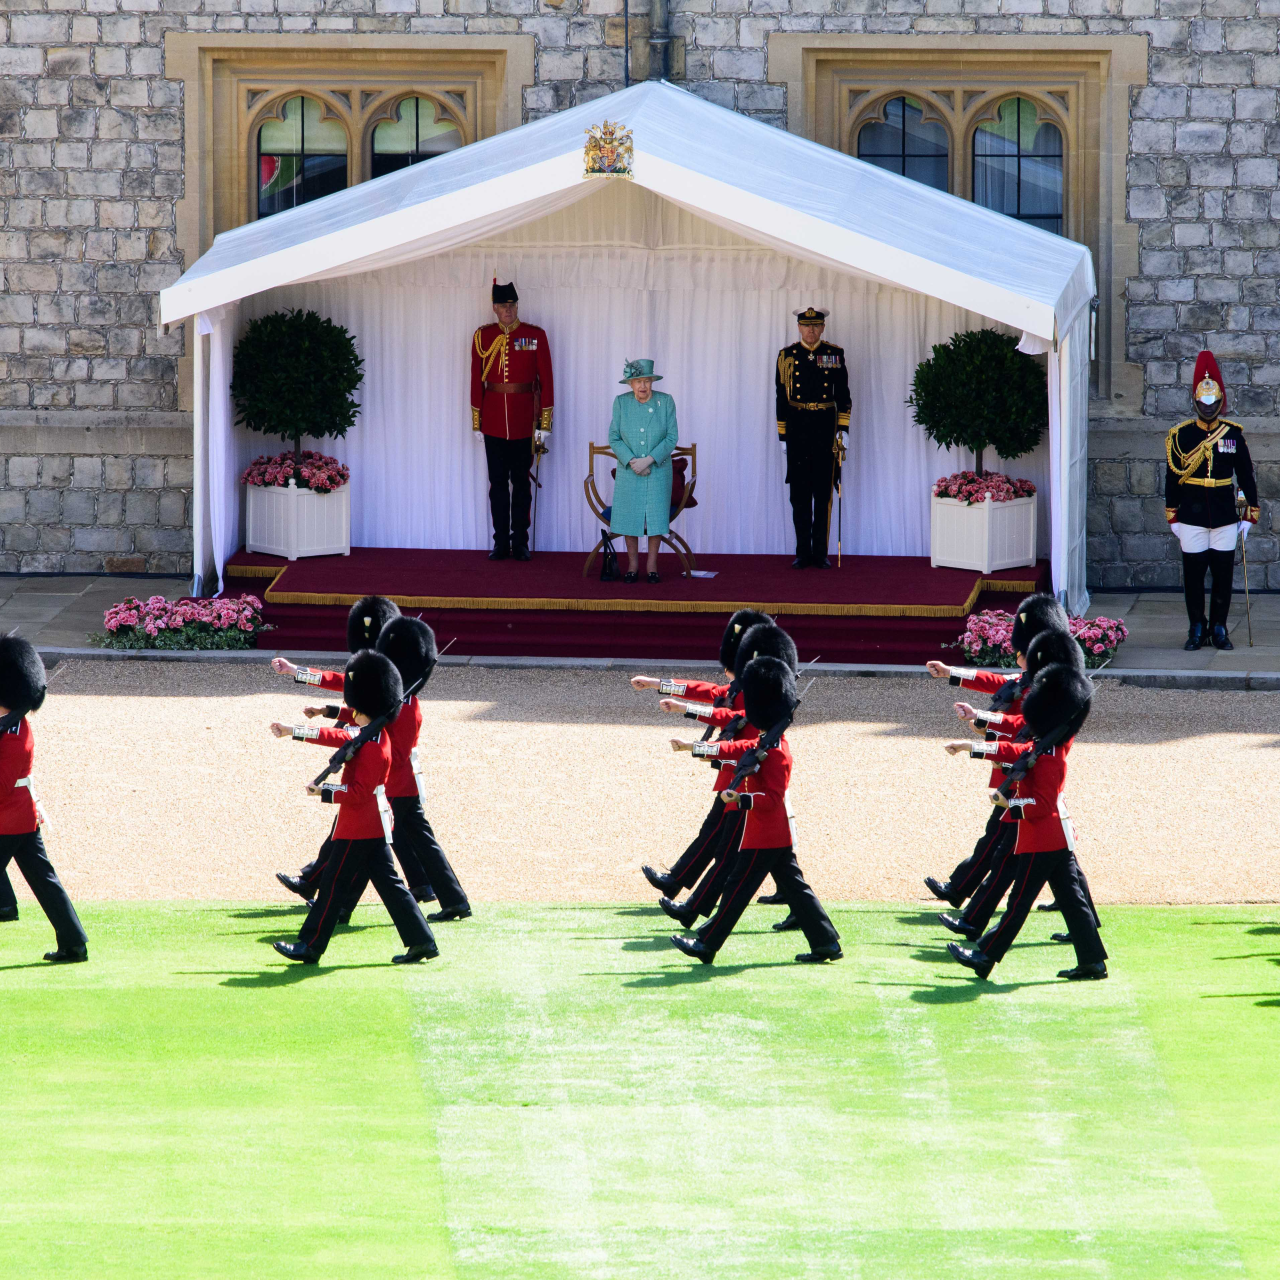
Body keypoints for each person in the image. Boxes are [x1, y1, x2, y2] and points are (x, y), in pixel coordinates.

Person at [666, 655, 842, 965]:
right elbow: (734, 749)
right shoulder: (764, 743)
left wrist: (740, 799)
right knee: (795, 888)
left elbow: (772, 798)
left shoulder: (778, 753)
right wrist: (692, 747)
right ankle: (826, 942)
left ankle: (706, 944)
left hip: (764, 834)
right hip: (771, 836)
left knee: (736, 890)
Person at [941, 660, 1107, 982]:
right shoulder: (1044, 745)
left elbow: (1042, 804)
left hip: (1043, 837)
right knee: (1072, 901)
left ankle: (985, 956)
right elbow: (1011, 749)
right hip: (1054, 837)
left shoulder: (1052, 756)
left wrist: (1010, 804)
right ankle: (1092, 962)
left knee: (1018, 902)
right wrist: (969, 746)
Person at [269, 650, 438, 965]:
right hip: (370, 825)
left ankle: (310, 946)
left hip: (360, 826)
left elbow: (359, 792)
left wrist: (325, 791)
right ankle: (422, 941)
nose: (351, 710)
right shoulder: (371, 735)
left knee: (333, 884)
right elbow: (333, 735)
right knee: (391, 886)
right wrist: (292, 731)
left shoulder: (373, 746)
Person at [272, 596, 437, 910]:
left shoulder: (400, 695)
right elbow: (340, 683)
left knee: (356, 837)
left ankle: (321, 889)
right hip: (383, 772)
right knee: (390, 838)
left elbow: (358, 727)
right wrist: (297, 672)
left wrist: (302, 728)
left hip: (386, 775)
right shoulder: (384, 681)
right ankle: (419, 885)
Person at [922, 592, 1069, 909]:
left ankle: (961, 892)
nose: (1017, 656)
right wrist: (950, 672)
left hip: (1027, 767)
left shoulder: (1044, 688)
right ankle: (1073, 901)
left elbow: (1021, 725)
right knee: (1046, 844)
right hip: (1014, 763)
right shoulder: (1025, 679)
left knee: (1000, 840)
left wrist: (981, 718)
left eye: (1022, 652)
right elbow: (991, 680)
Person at [650, 621, 799, 929]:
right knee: (772, 859)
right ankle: (801, 907)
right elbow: (708, 696)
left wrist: (686, 717)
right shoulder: (746, 691)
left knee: (729, 852)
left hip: (746, 785)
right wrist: (661, 687)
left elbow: (728, 719)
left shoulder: (758, 703)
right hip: (738, 779)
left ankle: (690, 904)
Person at [632, 609, 772, 900]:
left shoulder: (754, 692)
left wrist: (684, 710)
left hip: (746, 773)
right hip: (734, 769)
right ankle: (676, 881)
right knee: (716, 832)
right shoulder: (739, 687)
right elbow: (704, 690)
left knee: (726, 841)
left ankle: (687, 890)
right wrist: (656, 683)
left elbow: (727, 717)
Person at [0, 636, 88, 963]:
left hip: (8, 819)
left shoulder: (13, 735)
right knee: (45, 882)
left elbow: (2, 786)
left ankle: (5, 905)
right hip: (20, 817)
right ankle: (74, 943)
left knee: (45, 881)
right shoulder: (9, 726)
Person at [1165, 348, 1258, 651]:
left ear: (1220, 402)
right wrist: (1172, 513)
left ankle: (1219, 627)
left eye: (1213, 402)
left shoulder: (1232, 434)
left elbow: (1245, 475)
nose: (1208, 407)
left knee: (1223, 575)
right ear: (1195, 402)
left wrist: (1250, 512)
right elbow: (1173, 477)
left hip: (1224, 515)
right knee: (1193, 577)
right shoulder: (1181, 436)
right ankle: (1196, 626)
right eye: (1203, 403)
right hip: (1191, 515)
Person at [471, 280, 554, 561]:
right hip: (494, 422)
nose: (508, 310)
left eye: (512, 305)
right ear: (494, 308)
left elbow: (546, 380)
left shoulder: (534, 335)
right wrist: (477, 420)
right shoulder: (483, 337)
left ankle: (520, 542)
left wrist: (545, 423)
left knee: (521, 483)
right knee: (497, 485)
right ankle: (500, 543)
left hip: (525, 422)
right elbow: (476, 379)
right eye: (503, 306)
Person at [775, 306, 851, 569]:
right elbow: (781, 397)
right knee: (799, 494)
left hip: (825, 427)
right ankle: (802, 553)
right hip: (797, 427)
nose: (811, 330)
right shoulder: (786, 356)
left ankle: (820, 553)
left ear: (823, 328)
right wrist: (782, 435)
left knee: (823, 492)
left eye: (816, 325)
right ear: (798, 327)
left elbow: (843, 395)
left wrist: (843, 429)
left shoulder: (833, 354)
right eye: (806, 325)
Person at [608, 358, 679, 583]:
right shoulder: (621, 403)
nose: (642, 386)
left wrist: (649, 460)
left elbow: (672, 437)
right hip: (629, 471)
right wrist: (632, 461)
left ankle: (652, 566)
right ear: (630, 384)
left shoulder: (665, 402)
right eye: (638, 381)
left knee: (655, 517)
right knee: (630, 516)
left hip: (658, 470)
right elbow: (614, 437)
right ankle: (632, 566)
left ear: (652, 382)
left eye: (647, 381)